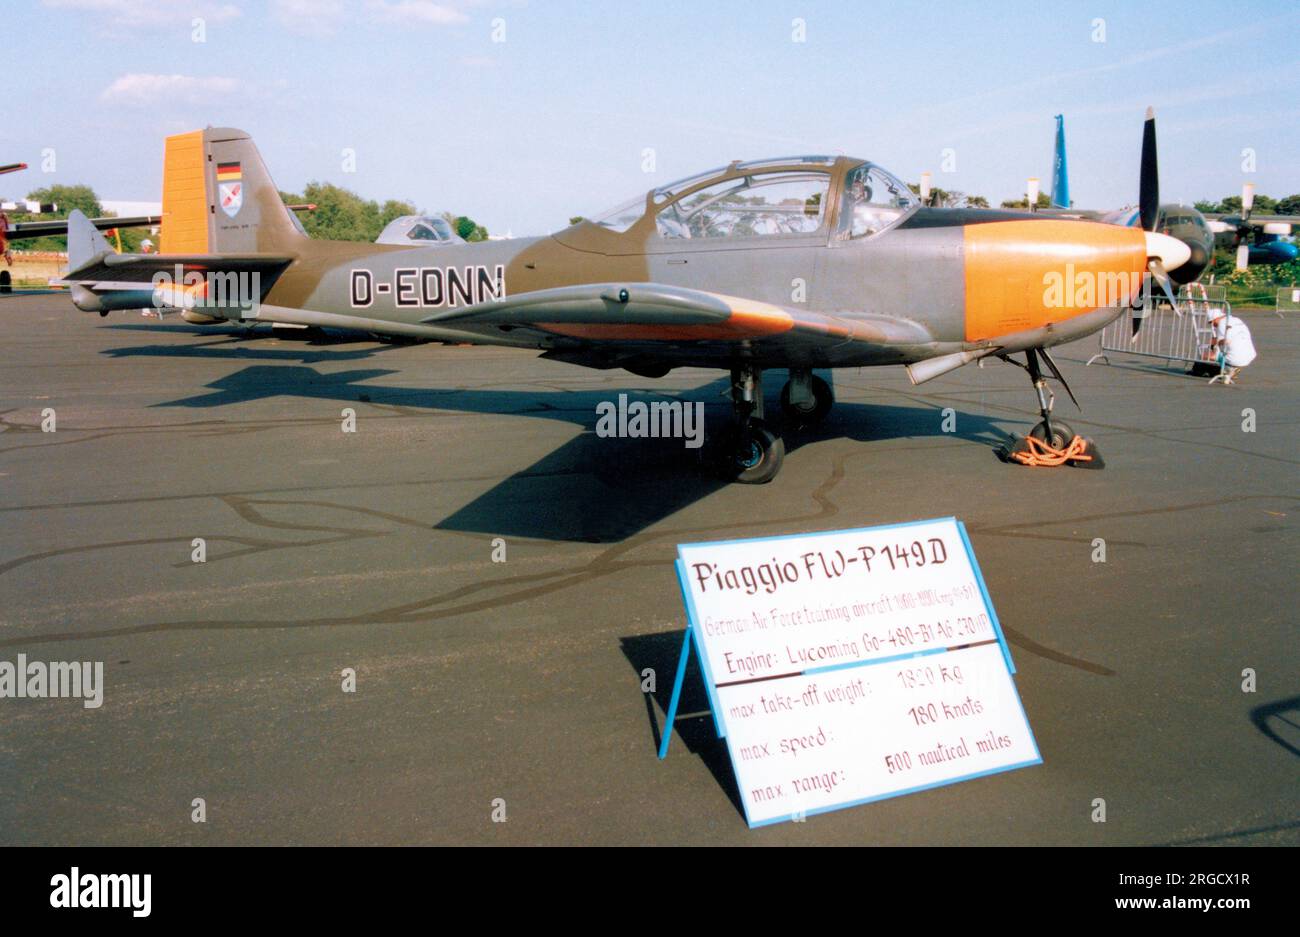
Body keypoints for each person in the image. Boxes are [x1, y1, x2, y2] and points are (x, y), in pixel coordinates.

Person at [1203, 309, 1256, 385]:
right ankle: (1230, 369)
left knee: (1205, 356)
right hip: (1250, 354)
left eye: (1212, 322)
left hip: (1235, 357)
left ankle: (1228, 370)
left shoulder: (1222, 323)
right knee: (1224, 351)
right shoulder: (1236, 319)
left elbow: (1225, 341)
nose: (1213, 325)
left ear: (1216, 318)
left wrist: (1215, 343)